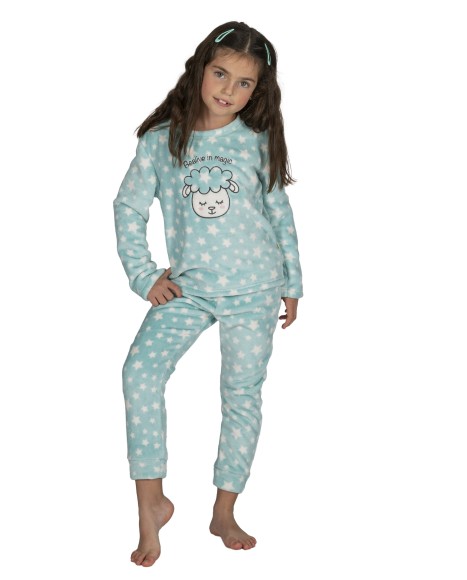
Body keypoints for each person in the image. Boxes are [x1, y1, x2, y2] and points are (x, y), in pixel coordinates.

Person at [113, 20, 303, 567]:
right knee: (139, 371)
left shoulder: (256, 141)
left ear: (257, 91)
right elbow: (128, 207)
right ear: (200, 68)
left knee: (240, 395)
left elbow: (279, 213)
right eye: (220, 74)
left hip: (256, 287)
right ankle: (151, 503)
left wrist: (292, 281)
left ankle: (224, 510)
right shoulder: (161, 141)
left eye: (244, 83)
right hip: (189, 288)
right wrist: (145, 275)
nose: (228, 90)